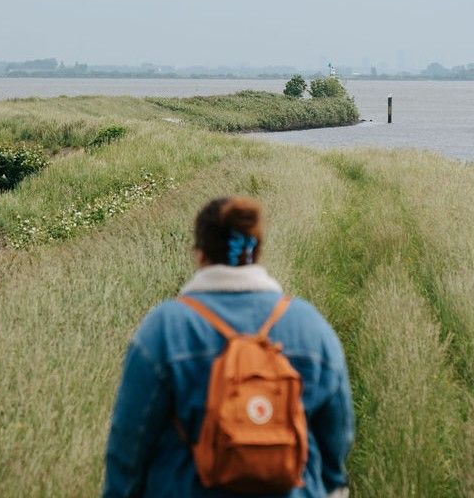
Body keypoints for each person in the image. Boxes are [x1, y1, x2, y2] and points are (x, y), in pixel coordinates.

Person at [103, 196, 354, 497]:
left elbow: (129, 443)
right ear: (257, 252)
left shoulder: (164, 328)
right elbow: (337, 437)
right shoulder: (310, 326)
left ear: (199, 254)